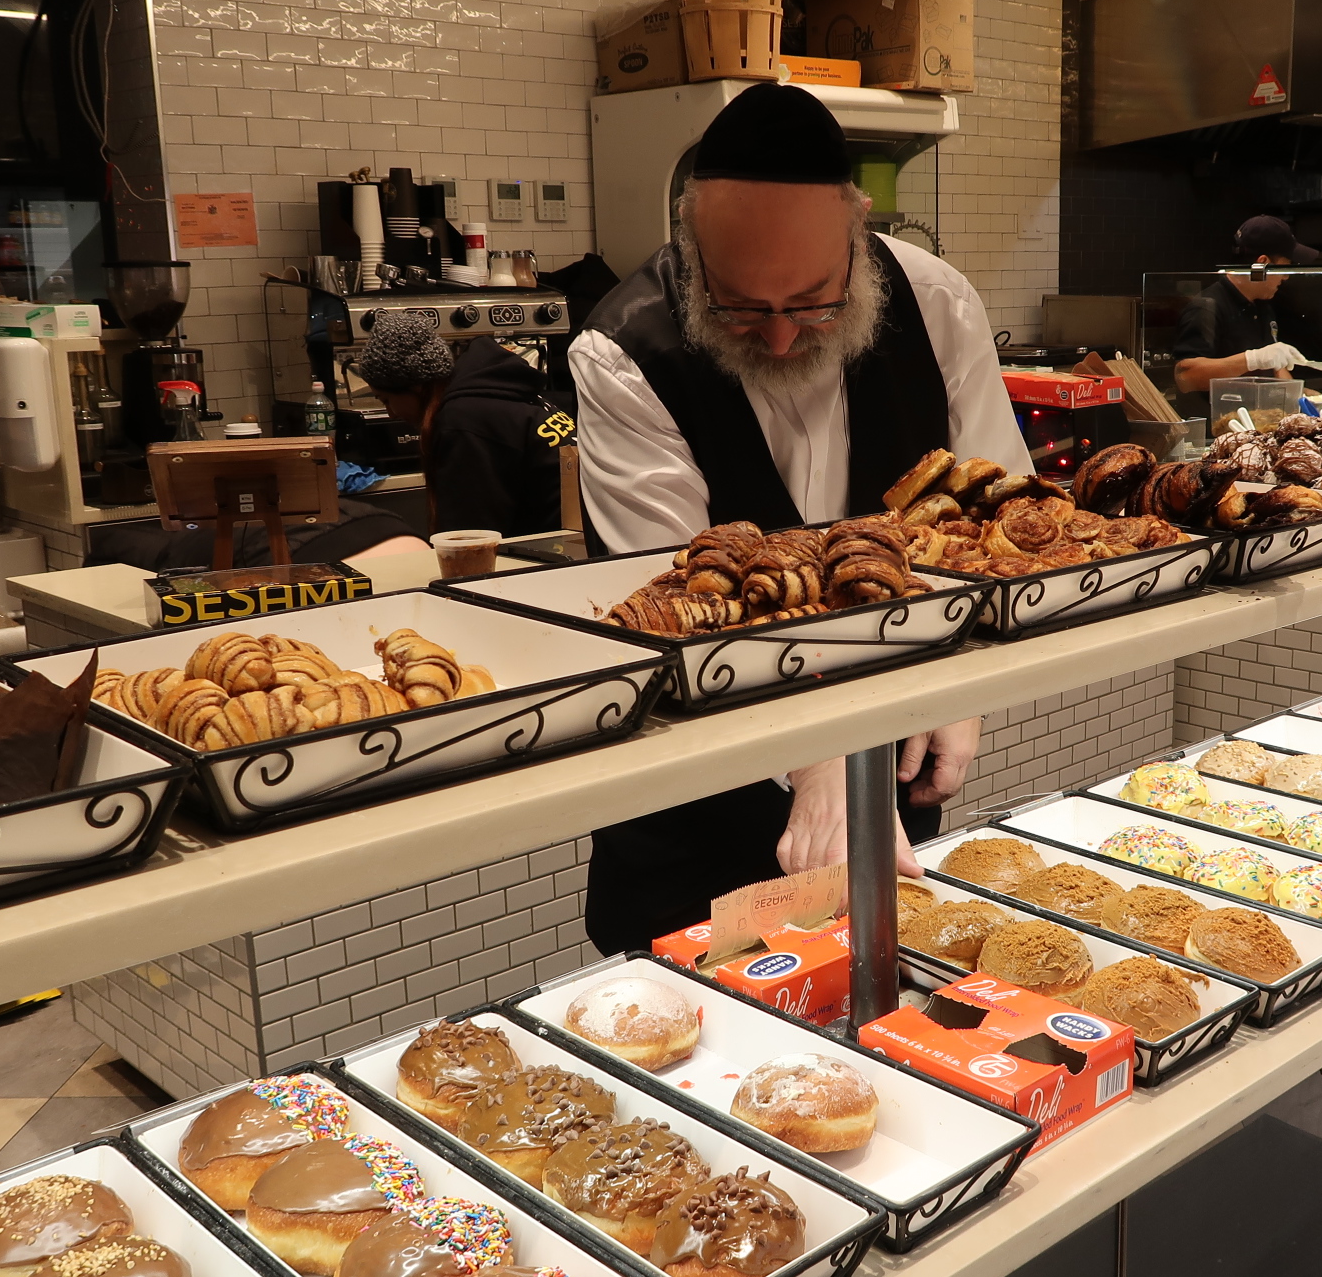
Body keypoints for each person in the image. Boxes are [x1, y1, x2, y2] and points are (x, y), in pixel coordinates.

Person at [568, 81, 1034, 954]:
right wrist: (819, 749)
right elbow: (678, 597)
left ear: (858, 232)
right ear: (691, 246)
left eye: (813, 302)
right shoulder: (623, 347)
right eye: (741, 307)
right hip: (694, 799)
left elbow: (991, 526)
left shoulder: (936, 304)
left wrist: (962, 685)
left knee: (877, 998)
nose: (780, 338)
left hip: (885, 770)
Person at [351, 309, 576, 536]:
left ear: (416, 387)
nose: (391, 414)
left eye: (387, 400)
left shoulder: (464, 420)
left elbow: (468, 536)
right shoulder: (498, 393)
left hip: (552, 555)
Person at [1170, 214, 1322, 396]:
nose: (1286, 277)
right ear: (1263, 263)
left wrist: (1299, 396)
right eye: (1285, 267)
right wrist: (1253, 359)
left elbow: (1276, 368)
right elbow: (1186, 376)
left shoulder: (1263, 304)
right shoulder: (1207, 307)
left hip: (1258, 418)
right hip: (1220, 421)